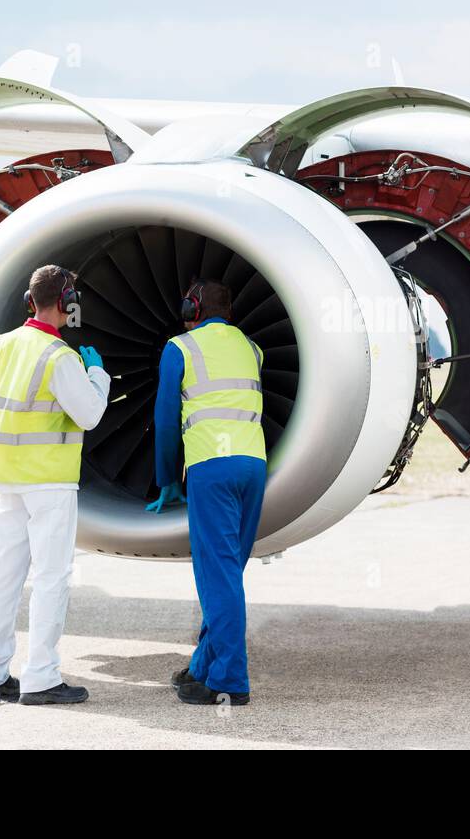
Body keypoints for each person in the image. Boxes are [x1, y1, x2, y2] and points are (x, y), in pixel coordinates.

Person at [0, 265, 110, 706]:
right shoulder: (60, 357)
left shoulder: (0, 346)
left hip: (3, 477)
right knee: (51, 578)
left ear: (29, 300)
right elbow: (89, 414)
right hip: (48, 481)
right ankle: (41, 678)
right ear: (68, 303)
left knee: (3, 576)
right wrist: (98, 376)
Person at [148, 278, 266, 707]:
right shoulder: (252, 348)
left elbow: (165, 421)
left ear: (189, 309)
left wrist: (166, 479)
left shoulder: (179, 348)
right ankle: (203, 666)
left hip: (210, 470)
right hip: (253, 465)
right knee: (226, 574)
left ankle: (230, 682)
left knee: (218, 577)